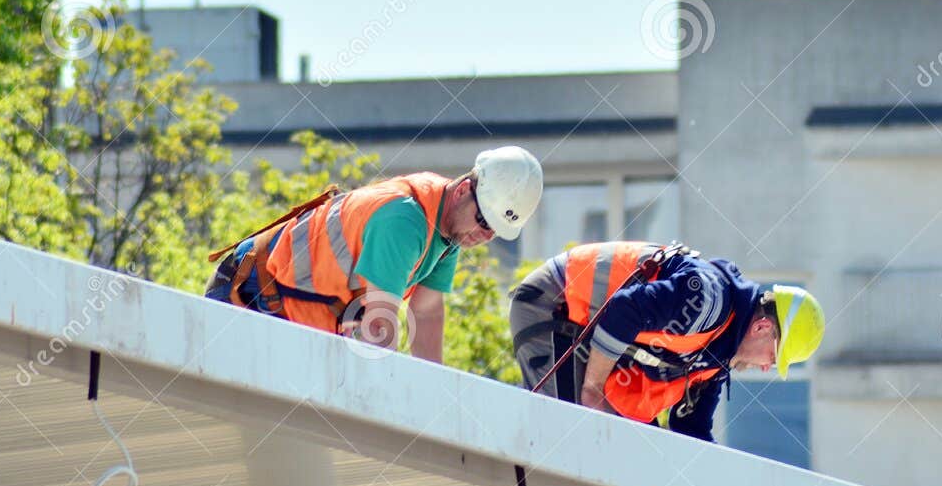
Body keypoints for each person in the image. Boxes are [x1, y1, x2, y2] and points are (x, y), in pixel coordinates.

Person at [207, 146, 543, 363]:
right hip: (248, 294)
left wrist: (434, 396)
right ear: (463, 190)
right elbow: (379, 324)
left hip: (289, 318)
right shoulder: (405, 220)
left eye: (494, 231)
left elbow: (426, 315)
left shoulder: (452, 232)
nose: (482, 236)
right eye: (483, 219)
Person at [508, 241, 824, 441]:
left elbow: (691, 432)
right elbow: (623, 311)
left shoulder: (717, 357)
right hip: (555, 302)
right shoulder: (707, 301)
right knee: (569, 440)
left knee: (630, 453)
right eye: (774, 354)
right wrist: (591, 390)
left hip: (582, 332)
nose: (767, 367)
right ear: (762, 328)